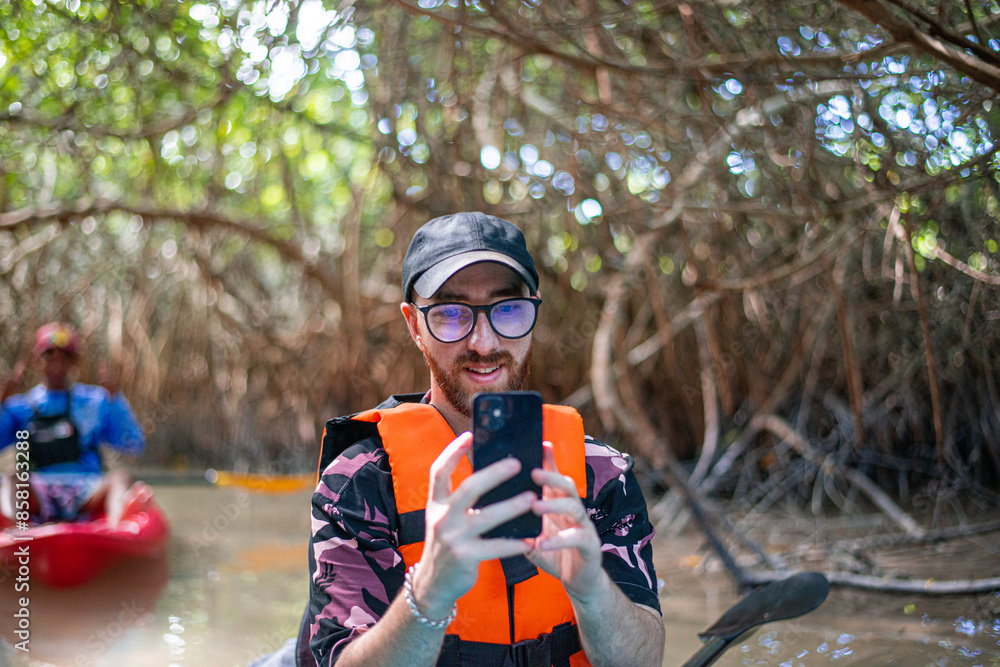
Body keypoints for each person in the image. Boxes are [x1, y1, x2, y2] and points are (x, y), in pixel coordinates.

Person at [295, 212, 665, 666]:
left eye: (507, 309)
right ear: (414, 325)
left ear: (533, 313)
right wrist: (429, 592)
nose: (484, 343)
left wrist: (591, 591)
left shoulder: (603, 474)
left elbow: (644, 660)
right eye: (452, 314)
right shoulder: (359, 480)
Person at [0, 322, 145, 526]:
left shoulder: (97, 401)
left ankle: (116, 529)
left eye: (66, 356)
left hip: (88, 489)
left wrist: (116, 401)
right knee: (12, 477)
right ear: (37, 359)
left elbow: (134, 446)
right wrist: (1, 404)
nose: (58, 364)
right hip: (39, 489)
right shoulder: (19, 407)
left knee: (121, 478)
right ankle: (12, 532)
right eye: (49, 355)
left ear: (75, 361)